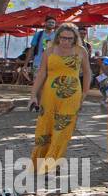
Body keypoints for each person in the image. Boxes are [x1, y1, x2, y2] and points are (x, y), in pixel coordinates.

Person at [29, 22, 91, 170]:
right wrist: (33, 96)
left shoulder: (81, 51)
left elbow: (87, 72)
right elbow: (42, 74)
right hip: (49, 95)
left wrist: (85, 93)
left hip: (72, 95)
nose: (66, 41)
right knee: (45, 128)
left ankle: (52, 164)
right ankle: (40, 162)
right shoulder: (49, 51)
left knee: (63, 130)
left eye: (70, 38)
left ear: (75, 39)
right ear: (58, 37)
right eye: (63, 38)